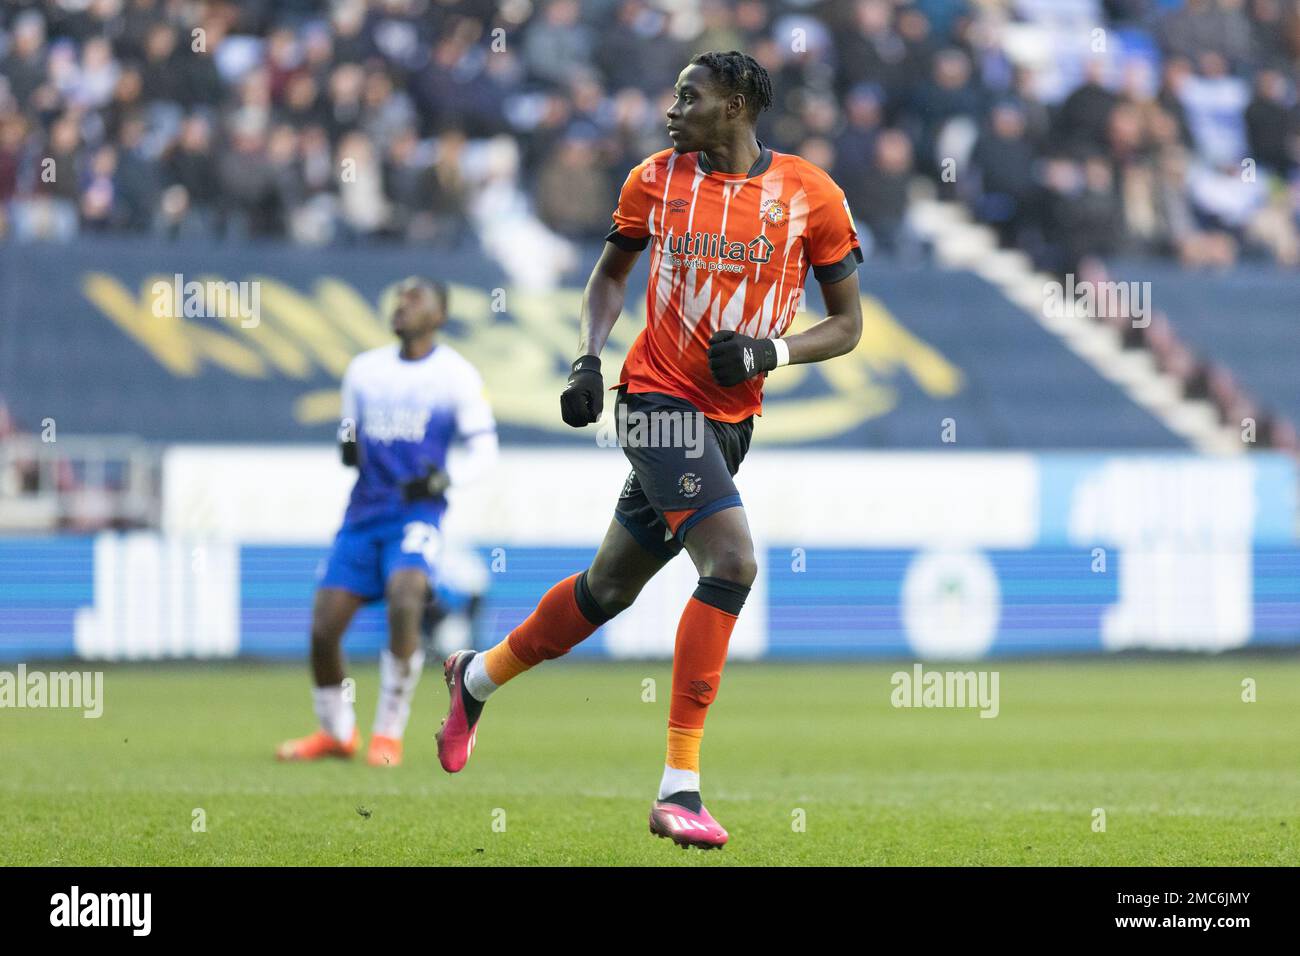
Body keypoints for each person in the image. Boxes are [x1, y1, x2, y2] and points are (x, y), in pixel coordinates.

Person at [435, 51, 863, 849]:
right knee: (731, 563)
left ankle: (477, 675)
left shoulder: (812, 196)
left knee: (606, 591)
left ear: (734, 106)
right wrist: (587, 359)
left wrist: (771, 353)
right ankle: (680, 787)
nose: (672, 109)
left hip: (731, 422)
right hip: (655, 405)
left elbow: (847, 325)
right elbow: (607, 277)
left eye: (688, 97)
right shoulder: (653, 180)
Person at [277, 277, 497, 768]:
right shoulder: (363, 371)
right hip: (362, 515)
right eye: (399, 296)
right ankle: (336, 732)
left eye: (416, 298)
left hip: (416, 514)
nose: (402, 303)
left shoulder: (455, 376)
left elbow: (485, 449)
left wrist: (445, 480)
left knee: (406, 597)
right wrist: (347, 445)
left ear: (439, 315)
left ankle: (388, 733)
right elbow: (349, 434)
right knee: (322, 630)